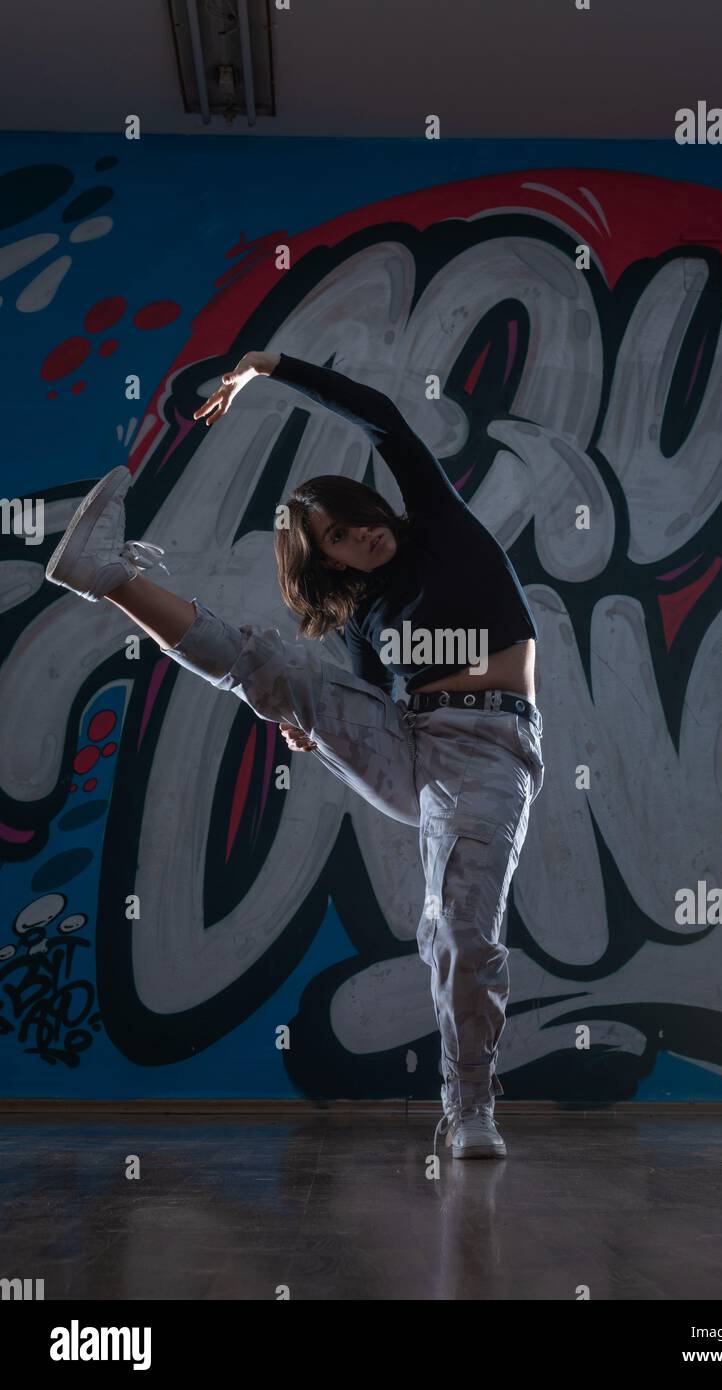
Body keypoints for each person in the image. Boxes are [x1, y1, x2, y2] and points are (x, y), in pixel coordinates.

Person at [44, 349, 545, 1159]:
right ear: (326, 560)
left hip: (486, 754)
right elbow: (375, 709)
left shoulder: (441, 531)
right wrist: (312, 725)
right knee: (267, 666)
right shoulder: (364, 619)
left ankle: (469, 1108)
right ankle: (105, 576)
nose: (362, 535)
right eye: (338, 538)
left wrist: (267, 367)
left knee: (459, 932)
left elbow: (382, 413)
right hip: (411, 745)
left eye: (359, 517)